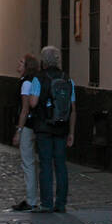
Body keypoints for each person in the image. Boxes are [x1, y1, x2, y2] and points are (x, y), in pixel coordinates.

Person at [27, 45, 76, 213]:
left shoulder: (38, 79)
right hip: (62, 127)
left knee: (46, 164)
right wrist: (71, 132)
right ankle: (61, 203)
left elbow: (33, 102)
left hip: (44, 127)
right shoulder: (67, 79)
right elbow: (72, 107)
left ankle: (47, 203)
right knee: (61, 165)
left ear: (43, 61)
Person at [11, 54, 39, 211]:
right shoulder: (35, 81)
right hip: (38, 125)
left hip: (28, 126)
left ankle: (31, 199)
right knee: (34, 164)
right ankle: (34, 197)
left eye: (21, 62)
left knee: (27, 162)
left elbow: (24, 109)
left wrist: (18, 130)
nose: (18, 64)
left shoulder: (25, 84)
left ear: (27, 66)